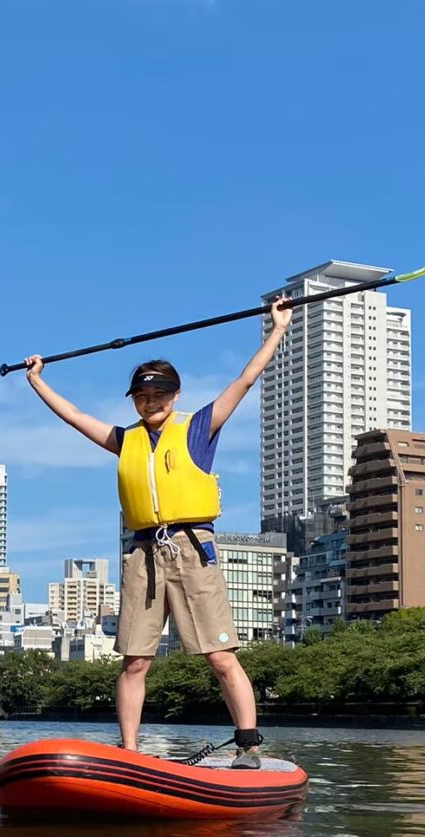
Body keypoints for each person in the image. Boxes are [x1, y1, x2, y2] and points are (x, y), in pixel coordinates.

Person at [21, 294, 293, 768]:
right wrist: (37, 380)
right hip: (143, 554)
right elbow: (74, 417)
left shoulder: (198, 428)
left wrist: (278, 328)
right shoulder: (124, 439)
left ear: (176, 395)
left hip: (192, 548)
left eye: (160, 395)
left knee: (220, 655)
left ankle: (248, 745)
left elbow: (245, 380)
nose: (151, 402)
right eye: (143, 396)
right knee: (135, 660)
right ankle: (129, 750)